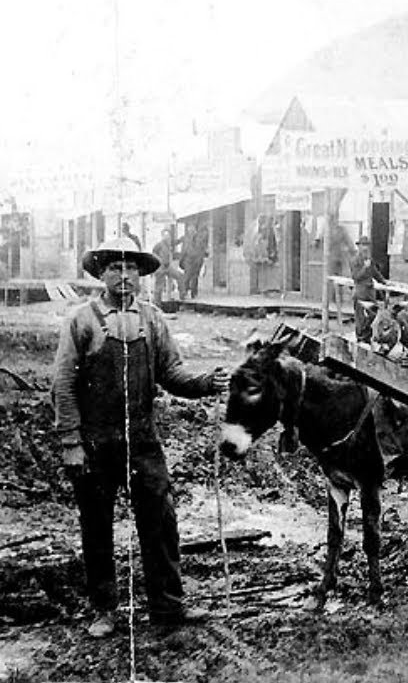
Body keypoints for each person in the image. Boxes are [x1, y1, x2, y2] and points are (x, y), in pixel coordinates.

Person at [52, 238, 230, 637]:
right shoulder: (81, 320)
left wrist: (205, 382)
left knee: (161, 521)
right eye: (115, 268)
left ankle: (168, 606)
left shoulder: (152, 319)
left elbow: (173, 373)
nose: (125, 276)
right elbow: (63, 385)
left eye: (132, 268)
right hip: (96, 443)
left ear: (142, 275)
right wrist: (71, 442)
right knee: (97, 527)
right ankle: (104, 609)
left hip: (143, 441)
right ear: (101, 274)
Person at [351, 236, 387, 343]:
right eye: (363, 245)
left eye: (367, 245)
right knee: (360, 318)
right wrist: (365, 268)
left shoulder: (369, 259)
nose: (365, 248)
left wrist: (384, 282)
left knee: (373, 314)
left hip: (370, 292)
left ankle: (365, 335)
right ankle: (360, 338)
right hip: (360, 292)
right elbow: (356, 277)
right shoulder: (354, 260)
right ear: (359, 247)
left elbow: (375, 273)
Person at [178, 222, 209, 300]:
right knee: (187, 276)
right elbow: (178, 244)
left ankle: (193, 293)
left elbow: (203, 248)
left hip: (196, 260)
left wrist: (202, 257)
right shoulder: (185, 238)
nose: (191, 231)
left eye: (193, 230)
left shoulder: (199, 238)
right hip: (188, 260)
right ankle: (184, 293)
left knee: (194, 277)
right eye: (190, 229)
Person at [151, 229, 182, 303]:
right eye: (165, 236)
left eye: (168, 236)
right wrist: (159, 261)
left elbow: (175, 244)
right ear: (162, 236)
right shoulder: (158, 245)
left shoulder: (168, 245)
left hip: (168, 267)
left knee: (179, 276)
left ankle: (182, 294)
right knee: (159, 286)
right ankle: (156, 302)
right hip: (160, 268)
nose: (167, 238)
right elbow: (153, 254)